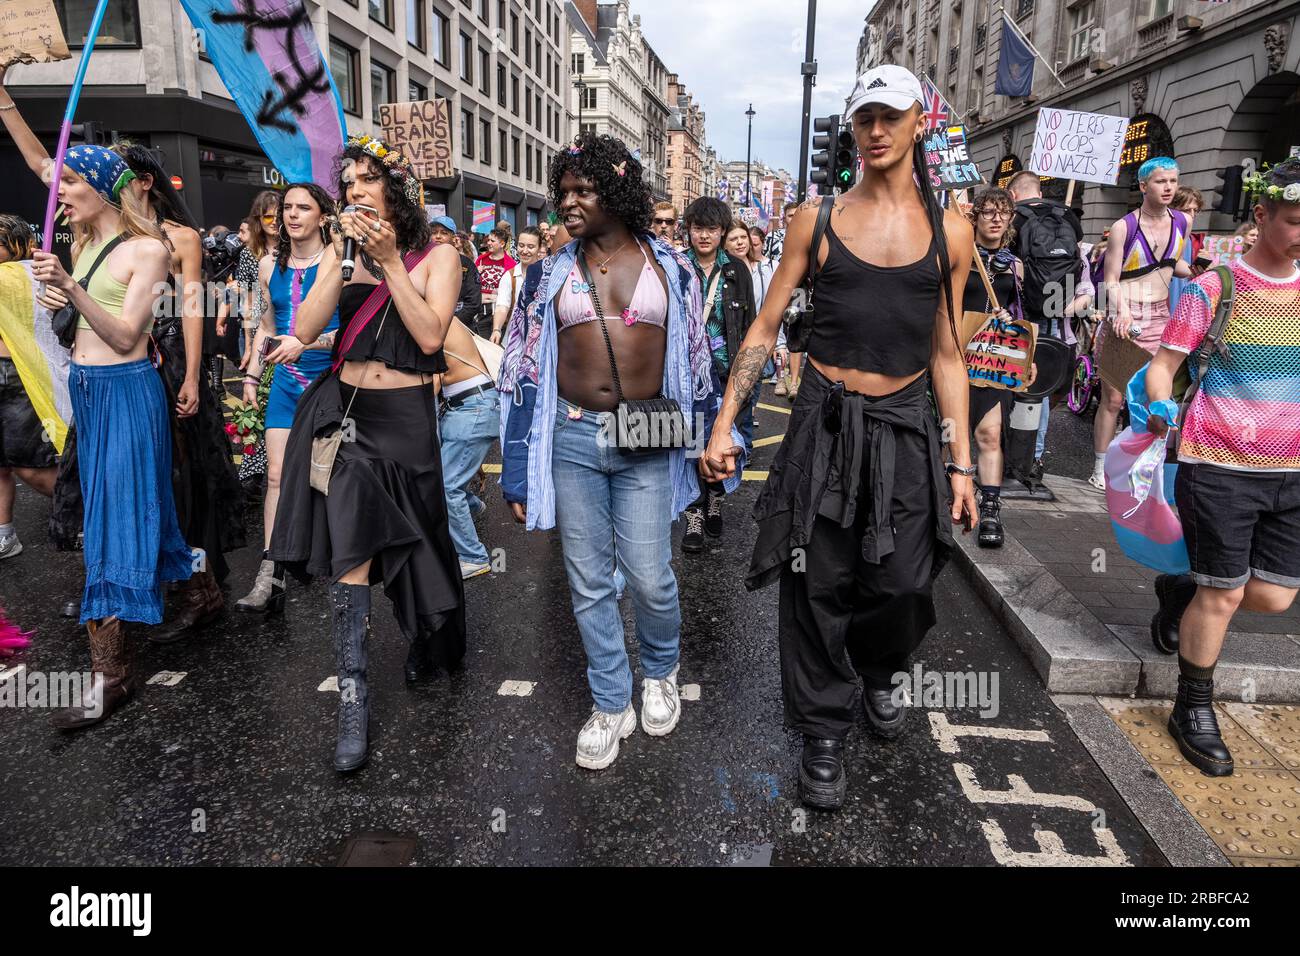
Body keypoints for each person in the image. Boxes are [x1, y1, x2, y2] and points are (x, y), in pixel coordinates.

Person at [699, 64, 977, 811]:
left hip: (907, 424)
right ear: (852, 129)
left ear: (920, 120)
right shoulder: (812, 221)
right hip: (823, 420)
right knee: (818, 582)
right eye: (865, 119)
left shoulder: (951, 231)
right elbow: (763, 328)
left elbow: (950, 352)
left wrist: (963, 463)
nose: (877, 131)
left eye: (891, 116)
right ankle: (823, 726)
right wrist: (726, 421)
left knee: (904, 583)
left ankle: (881, 668)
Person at [499, 132, 734, 771]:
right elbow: (521, 368)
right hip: (573, 437)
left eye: (584, 191)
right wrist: (517, 471)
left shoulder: (672, 268)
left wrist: (719, 435)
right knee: (587, 581)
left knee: (651, 576)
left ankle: (659, 669)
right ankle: (610, 701)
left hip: (648, 439)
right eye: (564, 192)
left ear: (617, 191)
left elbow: (697, 363)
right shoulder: (547, 272)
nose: (569, 203)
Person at [269, 135, 465, 772]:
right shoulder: (342, 254)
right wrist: (336, 259)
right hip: (349, 416)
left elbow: (431, 335)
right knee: (352, 547)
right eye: (347, 179)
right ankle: (352, 698)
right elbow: (306, 328)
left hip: (407, 421)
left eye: (365, 179)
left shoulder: (438, 256)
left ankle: (428, 635)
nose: (352, 189)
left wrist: (388, 265)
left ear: (395, 191)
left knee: (423, 541)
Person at [1143, 158, 1300, 777]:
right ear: (1260, 215)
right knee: (1227, 593)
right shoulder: (1216, 286)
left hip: (1291, 470)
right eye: (1294, 221)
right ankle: (1193, 707)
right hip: (1218, 460)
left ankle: (1184, 587)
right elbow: (1164, 364)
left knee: (1272, 597)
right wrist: (1158, 405)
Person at [28, 145, 193, 729]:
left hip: (128, 389)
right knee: (137, 509)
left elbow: (127, 338)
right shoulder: (82, 244)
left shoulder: (149, 249)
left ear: (102, 187)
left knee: (110, 520)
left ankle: (111, 677)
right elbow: (79, 331)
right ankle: (200, 592)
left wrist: (71, 290)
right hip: (90, 393)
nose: (59, 191)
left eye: (70, 182)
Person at [114, 144, 246, 643]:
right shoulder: (110, 238)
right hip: (120, 368)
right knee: (132, 476)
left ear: (146, 181)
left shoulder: (182, 238)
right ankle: (140, 578)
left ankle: (199, 584)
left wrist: (191, 377)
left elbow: (192, 309)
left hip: (169, 363)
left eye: (120, 176)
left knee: (182, 475)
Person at [234, 183, 341, 616]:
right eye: (288, 208)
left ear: (322, 216)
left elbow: (349, 331)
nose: (293, 215)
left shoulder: (338, 262)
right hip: (285, 383)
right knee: (275, 475)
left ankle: (341, 569)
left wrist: (309, 344)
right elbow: (266, 325)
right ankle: (271, 572)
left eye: (304, 208)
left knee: (330, 478)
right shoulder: (265, 264)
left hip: (330, 381)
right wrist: (253, 375)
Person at [1093, 157, 1192, 491]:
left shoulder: (1183, 221)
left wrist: (1194, 271)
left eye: (1173, 181)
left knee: (1156, 399)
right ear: (1143, 186)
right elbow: (1111, 279)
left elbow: (1173, 261)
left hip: (1162, 317)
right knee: (1114, 399)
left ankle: (1146, 468)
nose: (1168, 188)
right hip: (1127, 316)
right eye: (1160, 182)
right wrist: (1120, 312)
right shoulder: (1125, 227)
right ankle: (1100, 466)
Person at [681, 197, 756, 554]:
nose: (704, 235)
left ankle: (714, 500)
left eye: (711, 229)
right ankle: (694, 512)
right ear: (690, 230)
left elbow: (751, 326)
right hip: (687, 377)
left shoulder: (736, 271)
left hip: (725, 376)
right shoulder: (677, 267)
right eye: (698, 228)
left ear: (722, 231)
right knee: (691, 445)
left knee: (719, 442)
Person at [1007, 169, 1084, 481]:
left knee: (1013, 382)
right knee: (1042, 385)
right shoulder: (1067, 217)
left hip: (1021, 311)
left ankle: (1011, 453)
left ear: (1013, 195)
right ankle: (1034, 457)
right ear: (1039, 191)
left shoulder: (1017, 219)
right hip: (1056, 315)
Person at [964, 188, 1024, 548]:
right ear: (976, 217)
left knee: (989, 435)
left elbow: (1024, 316)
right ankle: (945, 495)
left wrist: (1010, 318)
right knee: (949, 434)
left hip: (993, 360)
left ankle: (990, 508)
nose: (996, 218)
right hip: (955, 356)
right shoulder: (959, 256)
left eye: (1003, 213)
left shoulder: (1014, 266)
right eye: (988, 212)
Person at [0, 215, 58, 560]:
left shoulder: (28, 275)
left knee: (30, 466)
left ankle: (89, 513)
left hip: (18, 375)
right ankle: (4, 533)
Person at [490, 225, 542, 345]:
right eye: (521, 245)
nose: (524, 251)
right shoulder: (510, 275)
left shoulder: (546, 275)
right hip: (514, 339)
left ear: (539, 249)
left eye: (531, 247)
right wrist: (496, 329)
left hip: (540, 339)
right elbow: (502, 305)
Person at [429, 215, 482, 325]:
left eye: (444, 233)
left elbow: (473, 303)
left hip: (459, 327)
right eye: (434, 233)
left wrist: (449, 324)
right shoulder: (422, 262)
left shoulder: (467, 265)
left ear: (453, 238)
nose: (438, 236)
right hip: (428, 327)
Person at [474, 227, 517, 339]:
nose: (488, 243)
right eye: (488, 240)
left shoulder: (510, 264)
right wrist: (476, 272)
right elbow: (473, 283)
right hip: (481, 310)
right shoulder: (481, 259)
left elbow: (512, 288)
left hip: (498, 310)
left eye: (492, 241)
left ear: (502, 244)